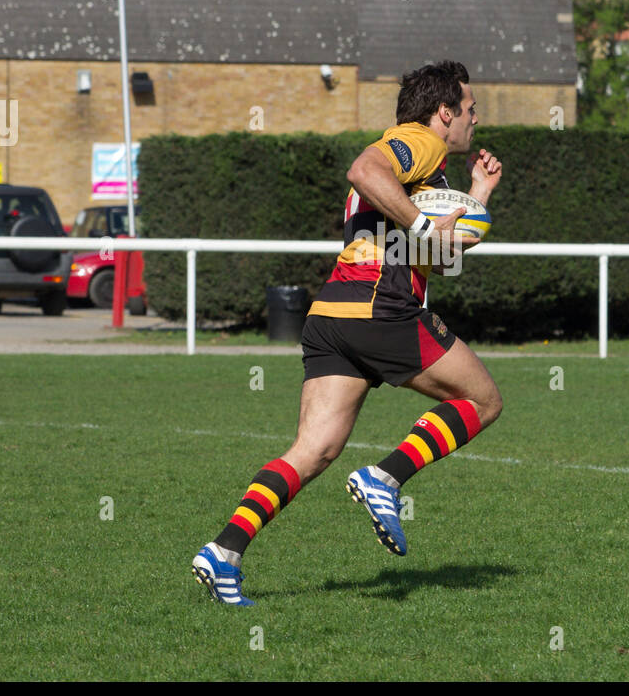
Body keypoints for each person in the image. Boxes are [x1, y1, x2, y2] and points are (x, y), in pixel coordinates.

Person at [193, 60, 504, 605]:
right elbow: (363, 170)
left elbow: (441, 249)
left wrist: (478, 193)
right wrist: (428, 226)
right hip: (379, 306)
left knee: (313, 450)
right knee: (482, 399)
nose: (475, 120)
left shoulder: (426, 173)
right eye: (470, 110)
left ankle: (224, 552)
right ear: (444, 113)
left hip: (333, 313)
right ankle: (386, 479)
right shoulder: (417, 143)